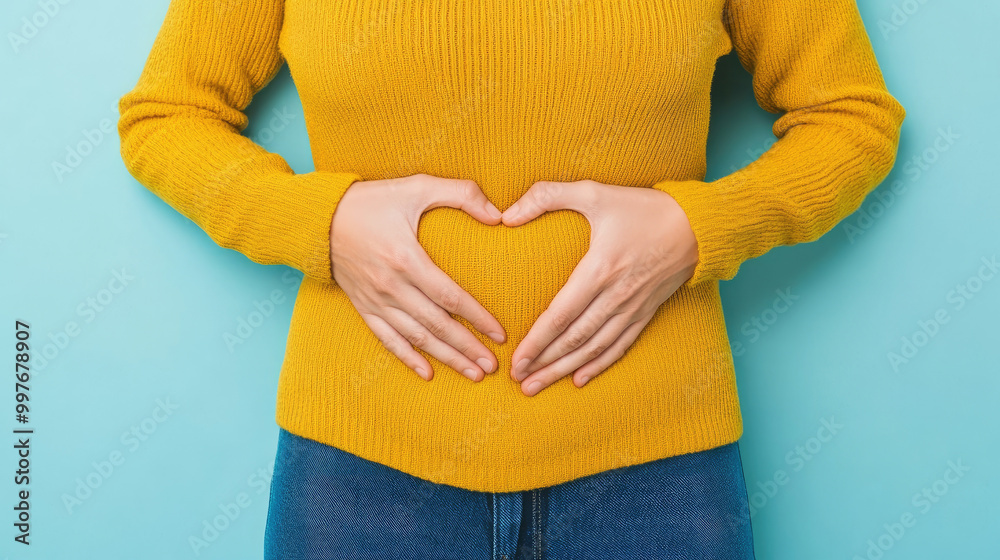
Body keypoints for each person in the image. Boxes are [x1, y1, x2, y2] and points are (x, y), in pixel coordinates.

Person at [117, 0, 905, 557]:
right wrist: (325, 223)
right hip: (360, 470)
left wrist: (695, 232)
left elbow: (850, 118)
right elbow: (167, 115)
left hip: (655, 471)